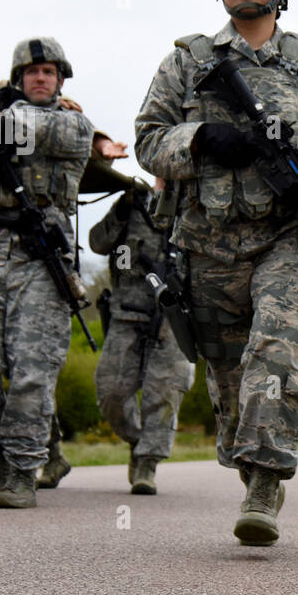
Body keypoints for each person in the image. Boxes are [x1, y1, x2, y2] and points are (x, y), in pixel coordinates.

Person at [134, 0, 298, 546]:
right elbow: (148, 142)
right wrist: (203, 140)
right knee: (230, 378)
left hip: (288, 240)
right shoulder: (186, 64)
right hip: (207, 242)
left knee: (279, 339)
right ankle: (252, 464)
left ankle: (266, 480)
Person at [0, 37, 125, 508]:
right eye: (31, 73)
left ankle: (22, 469)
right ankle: (6, 453)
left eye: (49, 72)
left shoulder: (73, 123)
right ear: (18, 80)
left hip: (42, 265)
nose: (40, 78)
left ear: (61, 81)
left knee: (32, 372)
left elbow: (38, 132)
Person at [88, 174, 195, 494]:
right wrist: (121, 208)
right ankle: (137, 439)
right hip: (126, 312)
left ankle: (148, 462)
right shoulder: (134, 203)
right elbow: (98, 242)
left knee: (163, 393)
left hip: (175, 317)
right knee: (111, 392)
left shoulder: (198, 204)